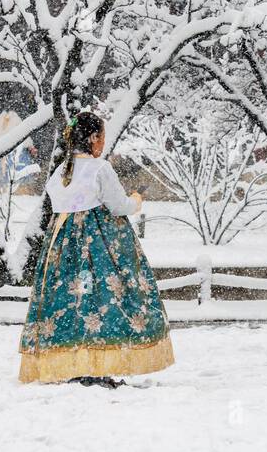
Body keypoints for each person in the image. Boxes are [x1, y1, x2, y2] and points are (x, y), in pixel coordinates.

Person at [18, 111, 175, 387]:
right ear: (93, 138)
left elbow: (59, 203)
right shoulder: (100, 169)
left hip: (63, 247)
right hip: (98, 246)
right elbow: (117, 206)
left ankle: (72, 362)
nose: (103, 141)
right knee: (104, 301)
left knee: (71, 302)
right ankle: (99, 363)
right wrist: (136, 200)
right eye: (101, 136)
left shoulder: (59, 172)